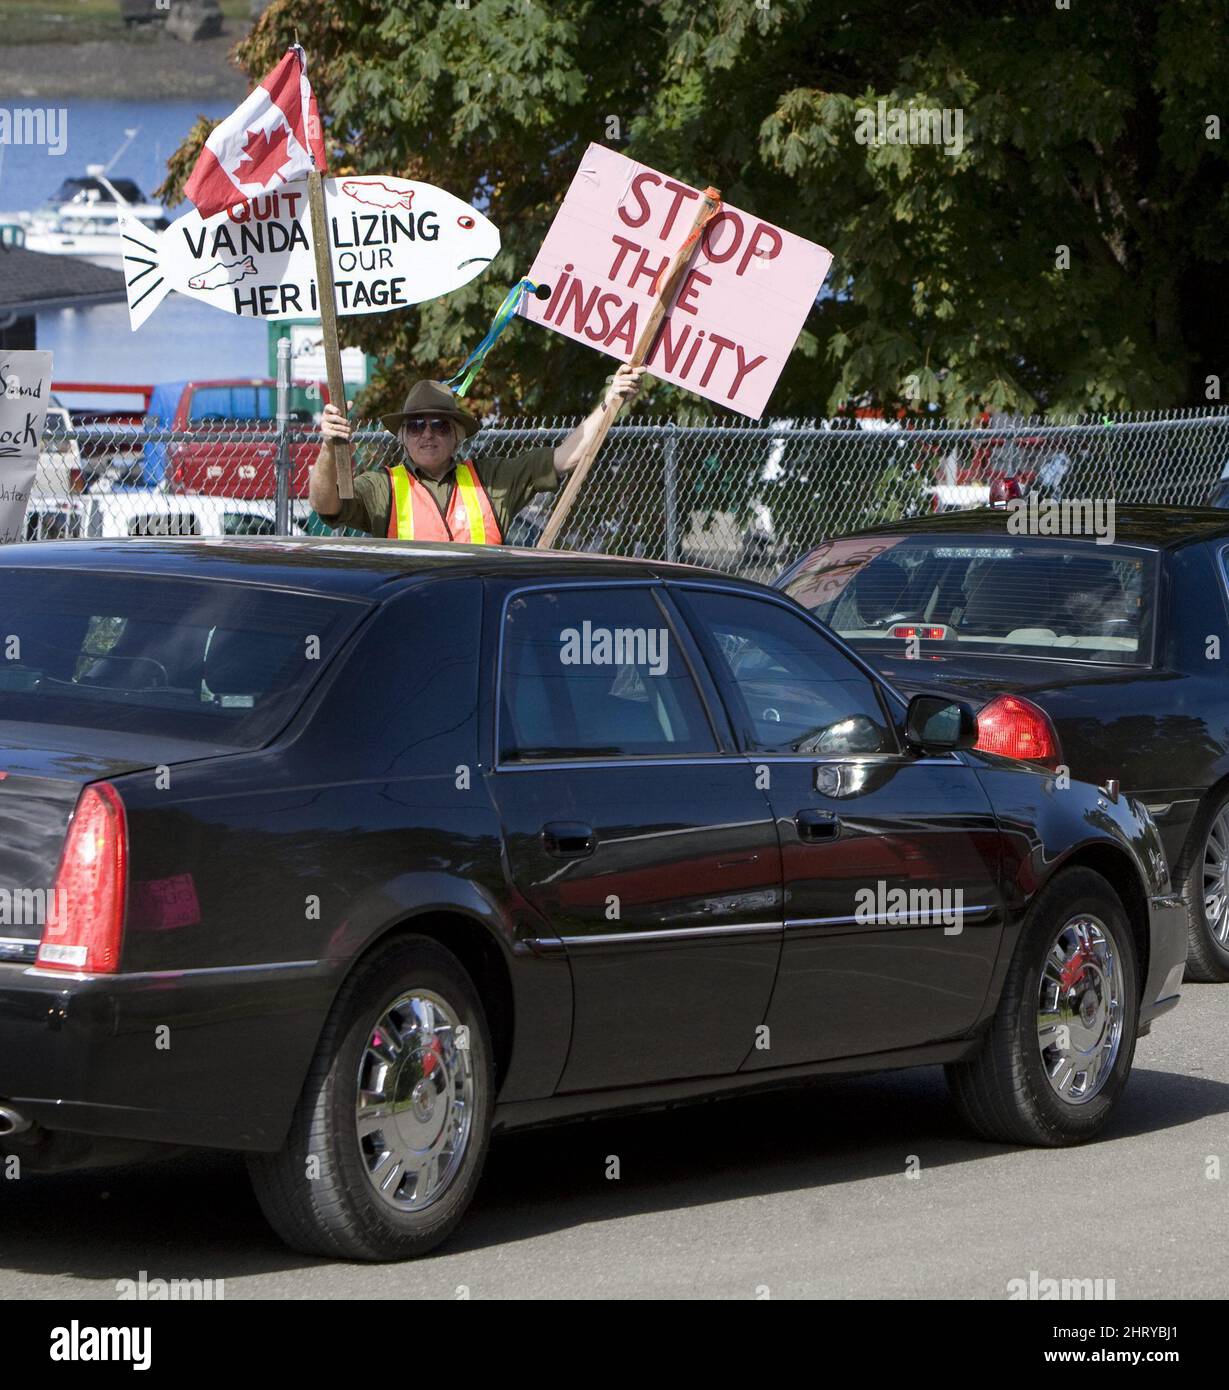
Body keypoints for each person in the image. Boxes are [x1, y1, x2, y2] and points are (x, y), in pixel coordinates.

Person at [309, 364, 645, 541]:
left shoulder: (491, 479)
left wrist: (611, 399)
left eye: (439, 425)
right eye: (416, 426)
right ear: (402, 436)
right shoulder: (382, 487)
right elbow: (325, 504)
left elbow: (565, 457)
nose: (427, 433)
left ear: (456, 436)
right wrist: (328, 447)